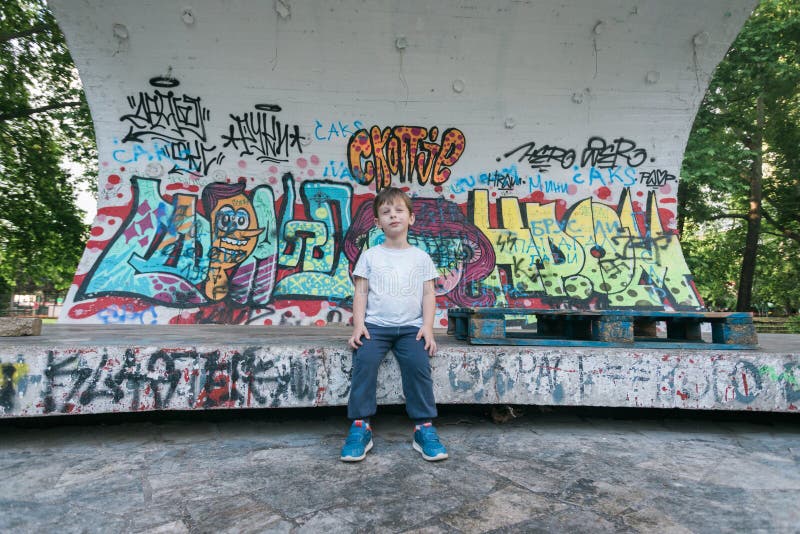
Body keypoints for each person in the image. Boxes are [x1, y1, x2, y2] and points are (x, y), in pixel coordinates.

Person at [340, 187, 448, 462]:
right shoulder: (370, 256)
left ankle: (424, 428)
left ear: (411, 218)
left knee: (418, 366)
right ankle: (360, 426)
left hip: (411, 328)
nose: (393, 216)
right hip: (375, 327)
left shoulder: (420, 257)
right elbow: (361, 292)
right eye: (386, 212)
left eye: (399, 210)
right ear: (377, 222)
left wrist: (427, 326)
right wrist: (358, 326)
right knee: (364, 362)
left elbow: (428, 294)